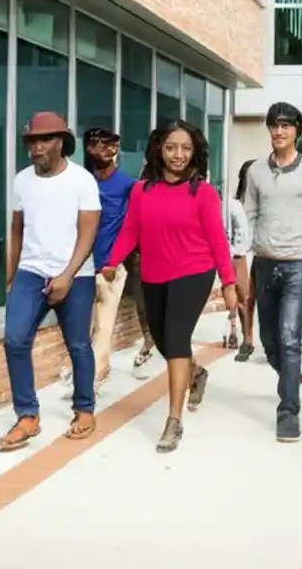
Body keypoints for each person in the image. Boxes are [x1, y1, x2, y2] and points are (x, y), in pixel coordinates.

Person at [102, 120, 238, 452]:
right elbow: (131, 230)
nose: (178, 155)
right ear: (159, 150)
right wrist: (112, 261)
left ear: (195, 153)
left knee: (176, 338)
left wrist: (229, 282)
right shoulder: (141, 190)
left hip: (194, 272)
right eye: (171, 147)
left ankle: (173, 421)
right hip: (153, 273)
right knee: (161, 339)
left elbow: (218, 241)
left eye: (186, 148)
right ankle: (195, 372)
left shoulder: (203, 193)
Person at [0, 112, 101, 451]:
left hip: (76, 274)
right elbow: (16, 231)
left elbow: (88, 234)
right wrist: (10, 279)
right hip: (31, 271)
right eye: (31, 141)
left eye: (43, 140)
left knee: (79, 346)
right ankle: (27, 416)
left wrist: (66, 276)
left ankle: (84, 409)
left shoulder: (82, 180)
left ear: (61, 143)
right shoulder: (22, 180)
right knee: (14, 340)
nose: (36, 147)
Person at [243, 102, 302, 442]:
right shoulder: (255, 171)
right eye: (274, 125)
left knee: (289, 337)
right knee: (270, 342)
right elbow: (248, 216)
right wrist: (241, 254)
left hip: (300, 262)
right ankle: (290, 375)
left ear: (297, 130)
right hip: (265, 263)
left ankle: (288, 413)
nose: (279, 131)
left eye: (286, 126)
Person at [58, 127, 148, 396]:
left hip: (110, 268)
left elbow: (137, 223)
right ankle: (84, 372)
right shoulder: (81, 182)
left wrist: (119, 260)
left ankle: (96, 375)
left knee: (104, 327)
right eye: (98, 145)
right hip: (80, 267)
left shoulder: (126, 185)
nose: (105, 150)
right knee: (80, 326)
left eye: (110, 145)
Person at [227, 160, 256, 362]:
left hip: (264, 252)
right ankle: (247, 340)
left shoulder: (267, 201)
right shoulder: (232, 203)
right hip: (241, 255)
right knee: (244, 300)